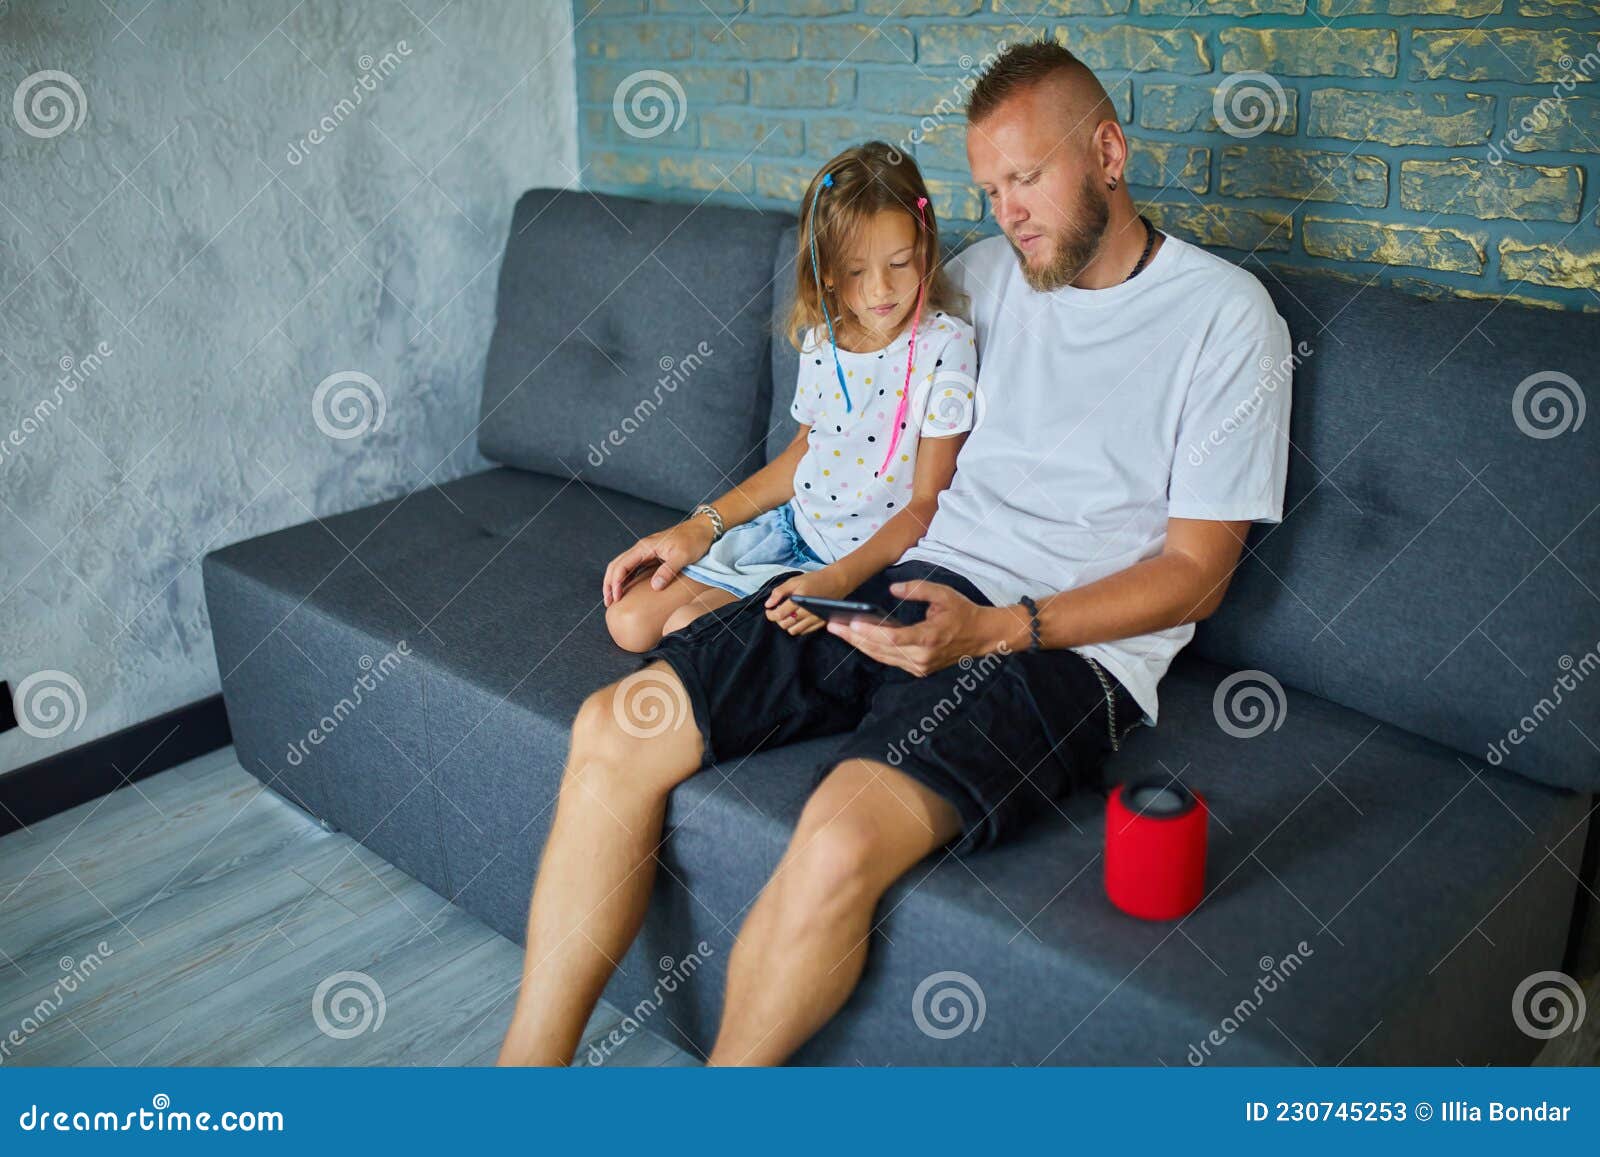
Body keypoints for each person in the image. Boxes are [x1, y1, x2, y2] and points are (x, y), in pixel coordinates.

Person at [498, 38, 1292, 1067]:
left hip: (1052, 646)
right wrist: (704, 526)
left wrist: (1000, 630)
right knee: (616, 724)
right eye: (988, 187)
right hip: (896, 580)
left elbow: (1197, 574)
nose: (1006, 211)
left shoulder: (1225, 318)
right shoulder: (974, 281)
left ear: (1106, 150)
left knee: (835, 835)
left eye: (1026, 177)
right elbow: (838, 437)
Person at [602, 142, 980, 652]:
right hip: (789, 529)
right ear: (825, 272)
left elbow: (926, 502)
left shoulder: (947, 345)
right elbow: (803, 452)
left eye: (899, 262)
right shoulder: (822, 341)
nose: (880, 290)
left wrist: (838, 580)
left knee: (685, 633)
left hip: (857, 563)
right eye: (855, 271)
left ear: (925, 248)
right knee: (627, 623)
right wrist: (701, 526)